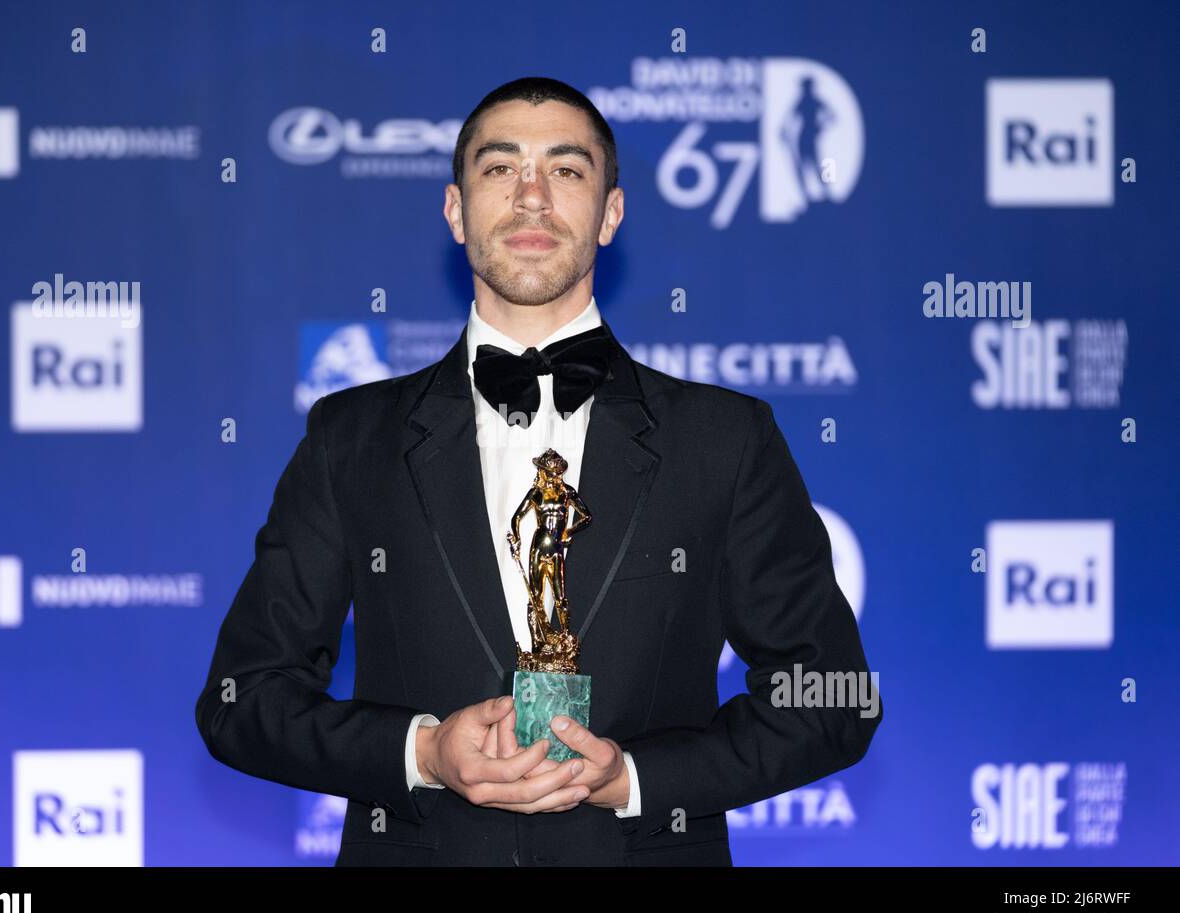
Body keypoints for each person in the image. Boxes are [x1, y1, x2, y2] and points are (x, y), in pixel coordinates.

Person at [195, 76, 881, 867]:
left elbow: (835, 700)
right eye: (499, 169)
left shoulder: (724, 439)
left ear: (611, 212)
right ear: (455, 211)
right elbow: (240, 700)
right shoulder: (350, 439)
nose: (531, 198)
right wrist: (423, 753)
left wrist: (635, 778)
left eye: (566, 170)